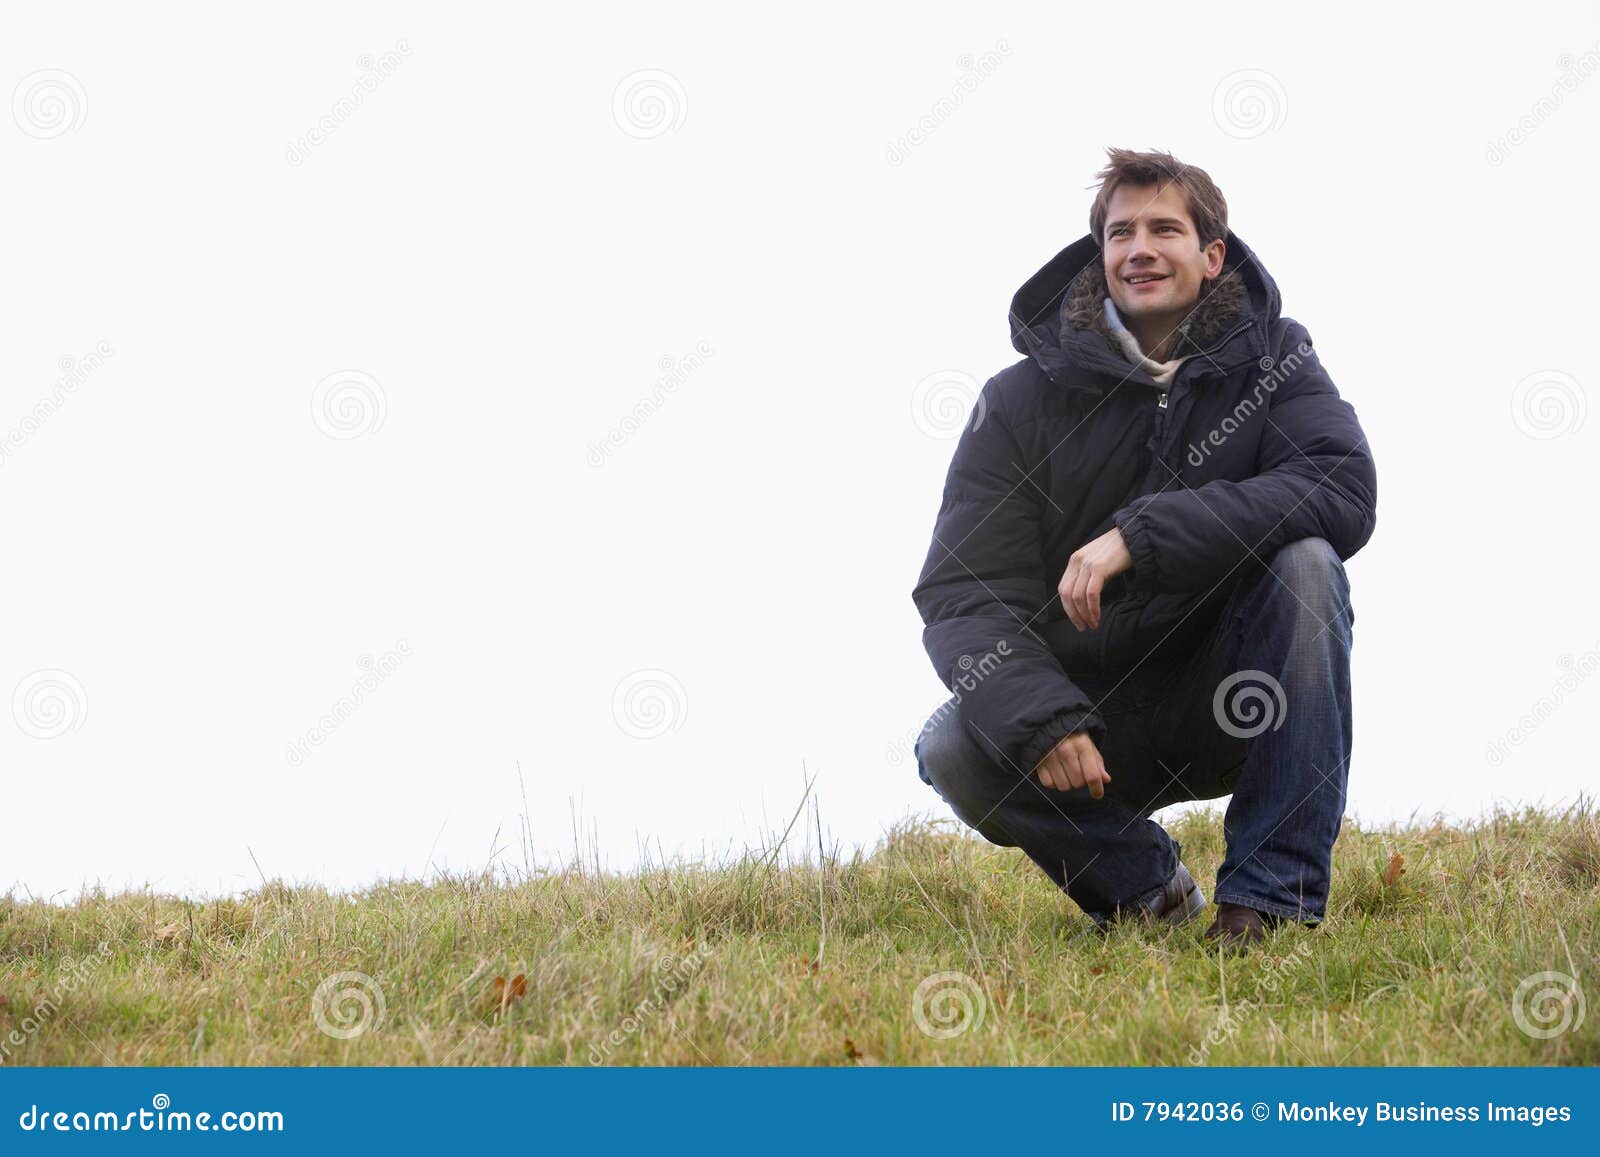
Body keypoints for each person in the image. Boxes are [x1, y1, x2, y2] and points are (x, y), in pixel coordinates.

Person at [910, 147, 1377, 947]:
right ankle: (1149, 891)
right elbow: (964, 589)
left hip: (1233, 696)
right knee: (951, 741)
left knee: (1307, 567)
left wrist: (1142, 534)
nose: (1140, 248)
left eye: (1165, 227)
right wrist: (1044, 718)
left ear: (1212, 254)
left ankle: (1267, 905)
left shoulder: (1276, 361)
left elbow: (1339, 487)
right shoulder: (1017, 399)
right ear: (1101, 255)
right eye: (1120, 231)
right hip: (1088, 726)